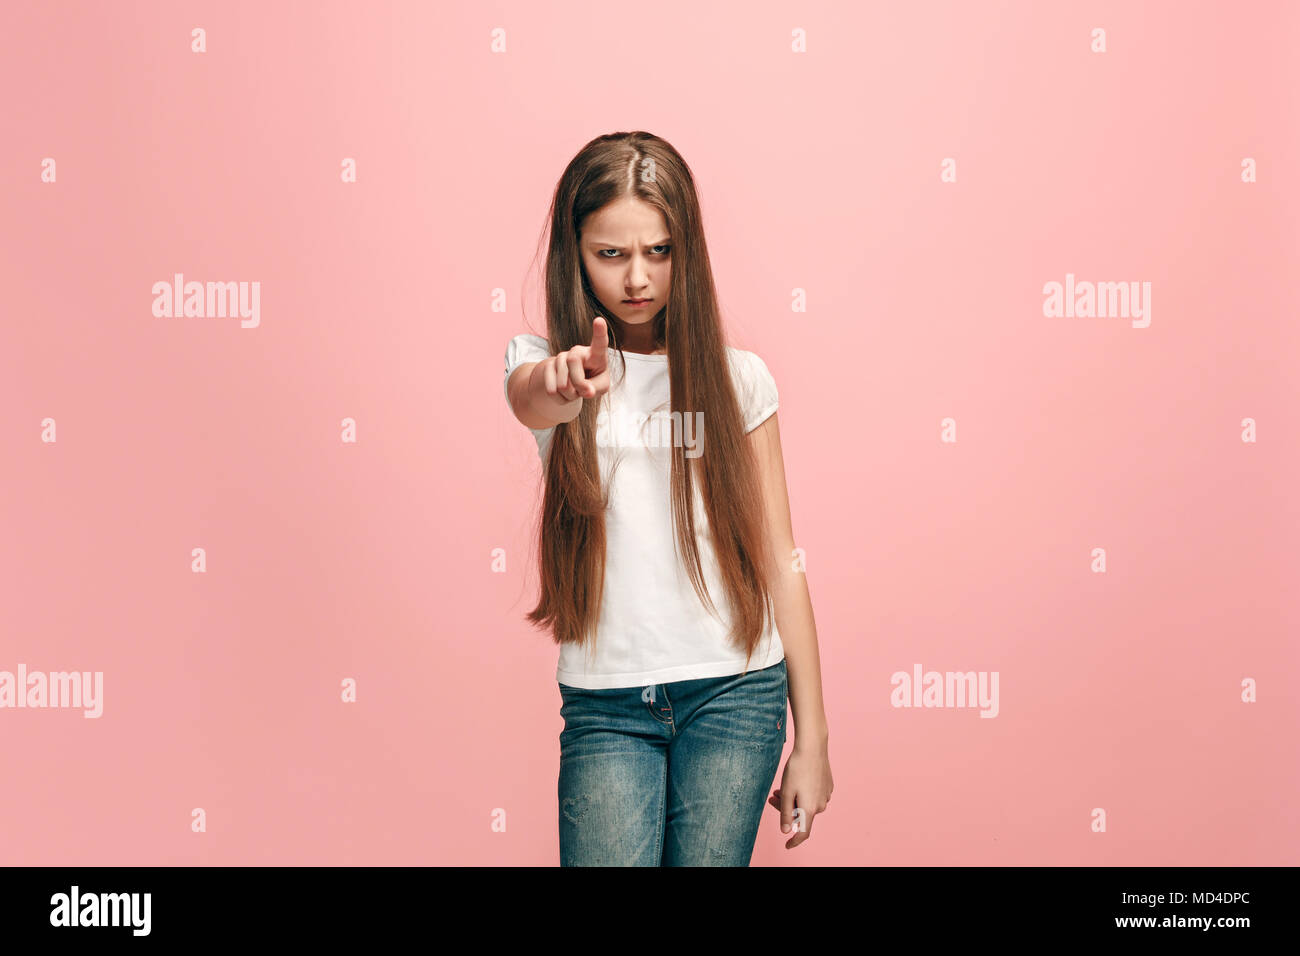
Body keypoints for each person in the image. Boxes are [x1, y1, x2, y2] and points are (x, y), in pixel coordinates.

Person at [503, 131, 832, 866]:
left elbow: (784, 558)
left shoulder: (739, 380)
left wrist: (812, 741)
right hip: (608, 706)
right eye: (610, 254)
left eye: (659, 250)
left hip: (736, 697)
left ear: (688, 251)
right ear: (575, 254)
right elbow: (534, 401)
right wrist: (562, 385)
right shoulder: (544, 365)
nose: (637, 278)